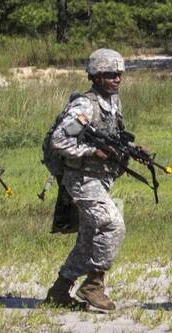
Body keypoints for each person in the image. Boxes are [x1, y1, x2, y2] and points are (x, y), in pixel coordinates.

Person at [42, 48, 130, 312]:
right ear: (96, 76)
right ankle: (93, 285)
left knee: (89, 237)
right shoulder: (84, 106)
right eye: (111, 75)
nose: (117, 79)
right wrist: (92, 151)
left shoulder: (113, 102)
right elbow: (59, 140)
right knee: (113, 225)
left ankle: (59, 290)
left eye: (119, 74)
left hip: (100, 178)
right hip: (81, 179)